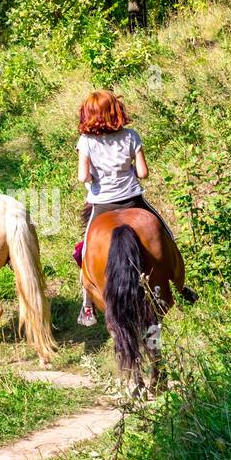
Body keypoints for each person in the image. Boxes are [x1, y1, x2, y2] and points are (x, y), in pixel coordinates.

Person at [74, 89, 164, 326]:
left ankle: (87, 306)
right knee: (165, 233)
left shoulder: (86, 141)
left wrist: (97, 177)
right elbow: (143, 173)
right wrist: (127, 172)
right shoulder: (131, 136)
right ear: (116, 111)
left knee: (84, 253)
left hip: (102, 204)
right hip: (134, 200)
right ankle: (178, 283)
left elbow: (83, 176)